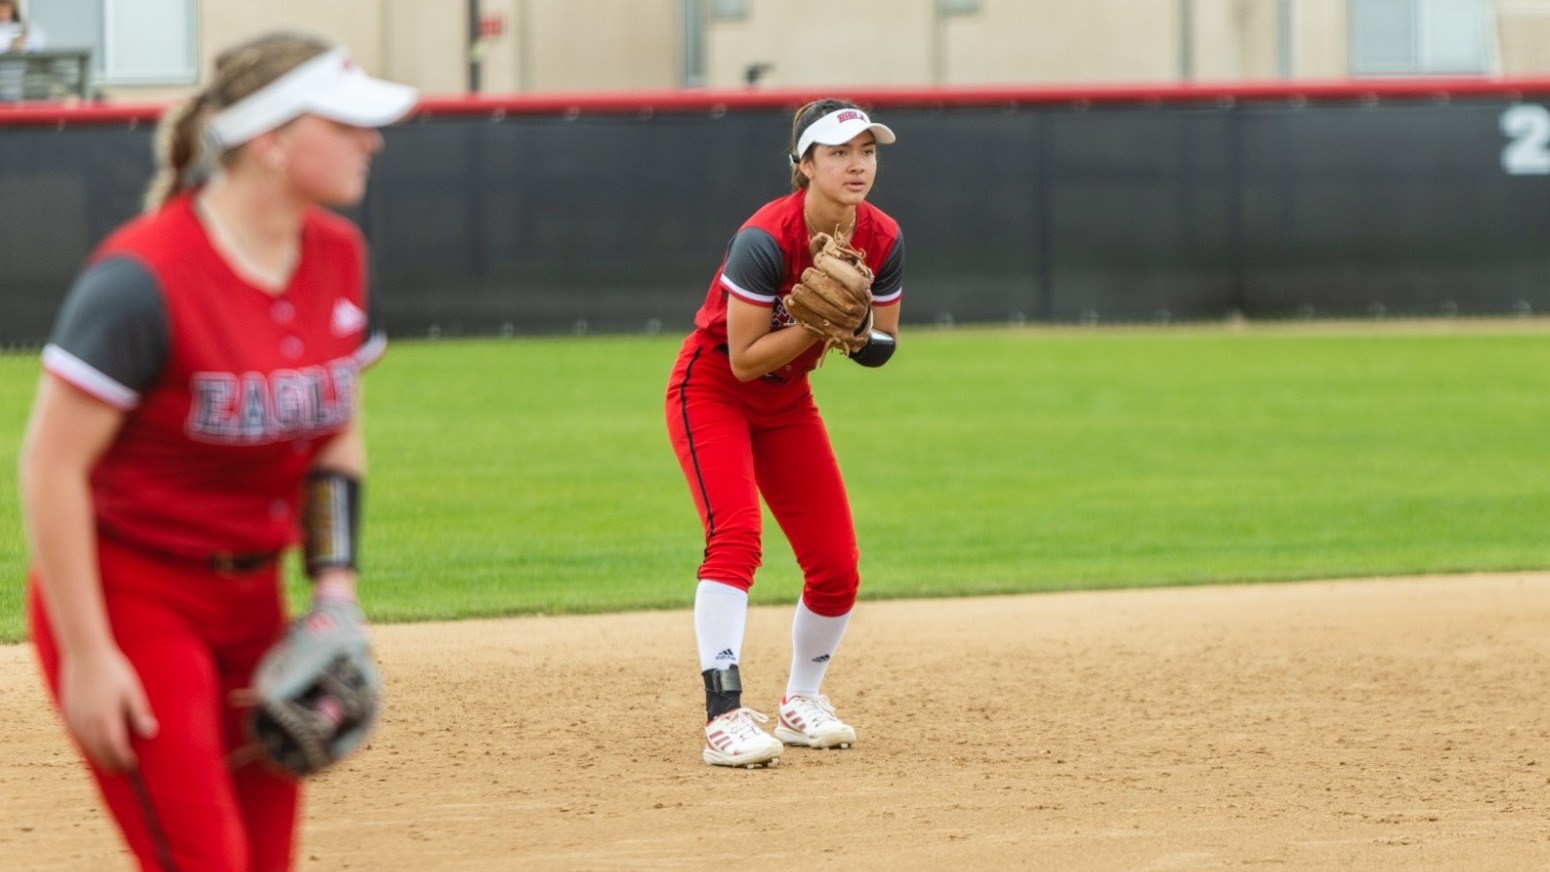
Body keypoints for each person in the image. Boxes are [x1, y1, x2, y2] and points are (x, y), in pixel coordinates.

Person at [18, 31, 415, 869]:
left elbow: (337, 436)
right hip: (133, 600)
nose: (368, 140)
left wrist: (334, 591)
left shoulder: (340, 255)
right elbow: (51, 467)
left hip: (256, 607)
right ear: (270, 142)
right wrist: (90, 658)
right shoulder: (140, 278)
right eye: (343, 123)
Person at [664, 98, 905, 768]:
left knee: (836, 565)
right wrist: (813, 322)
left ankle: (802, 702)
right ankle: (725, 717)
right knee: (736, 537)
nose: (857, 165)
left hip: (788, 401)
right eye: (839, 153)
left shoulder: (881, 237)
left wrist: (854, 332)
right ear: (804, 164)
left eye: (867, 151)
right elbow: (742, 358)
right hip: (711, 389)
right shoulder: (765, 239)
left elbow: (883, 345)